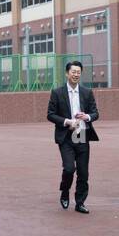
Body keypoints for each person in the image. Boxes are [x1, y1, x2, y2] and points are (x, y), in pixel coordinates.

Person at [46, 60, 100, 214]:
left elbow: (96, 113)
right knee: (69, 168)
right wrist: (67, 121)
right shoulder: (57, 92)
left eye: (78, 72)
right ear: (67, 73)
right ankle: (64, 191)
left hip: (81, 134)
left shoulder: (87, 92)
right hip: (66, 135)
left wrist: (87, 116)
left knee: (83, 172)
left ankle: (80, 202)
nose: (76, 74)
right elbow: (50, 115)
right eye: (73, 71)